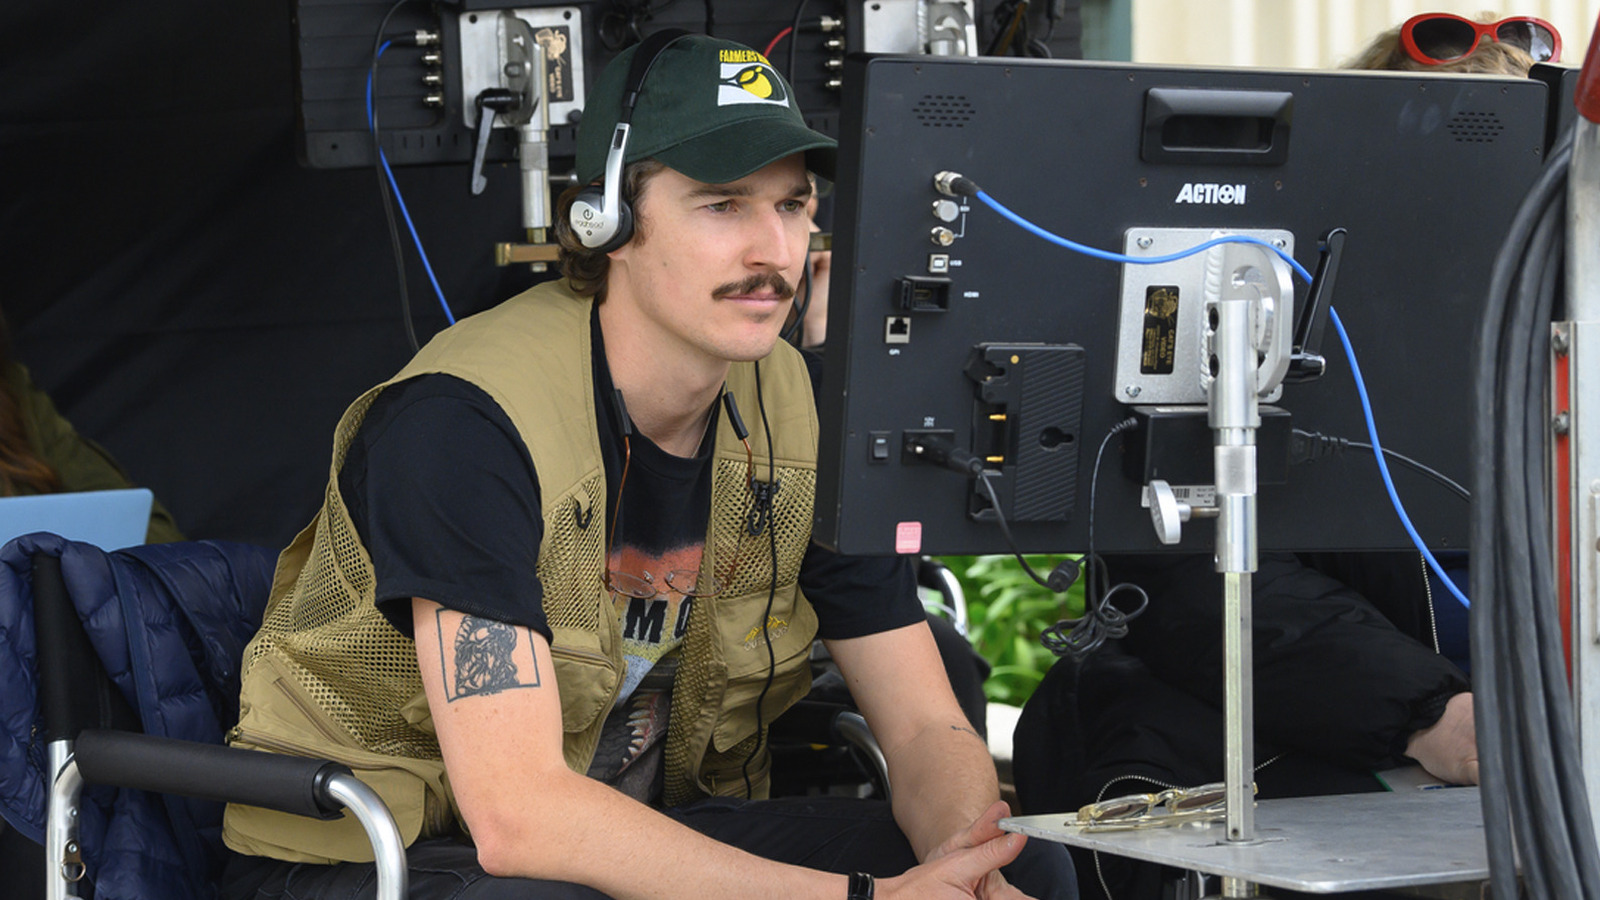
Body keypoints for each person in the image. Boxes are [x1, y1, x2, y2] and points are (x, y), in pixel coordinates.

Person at [218, 32, 1076, 900]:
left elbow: (927, 726)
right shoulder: (461, 423)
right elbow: (518, 818)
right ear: (609, 221)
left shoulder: (803, 410)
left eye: (791, 205)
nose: (773, 252)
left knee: (1028, 862)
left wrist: (966, 868)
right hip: (368, 855)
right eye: (722, 205)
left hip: (619, 829)